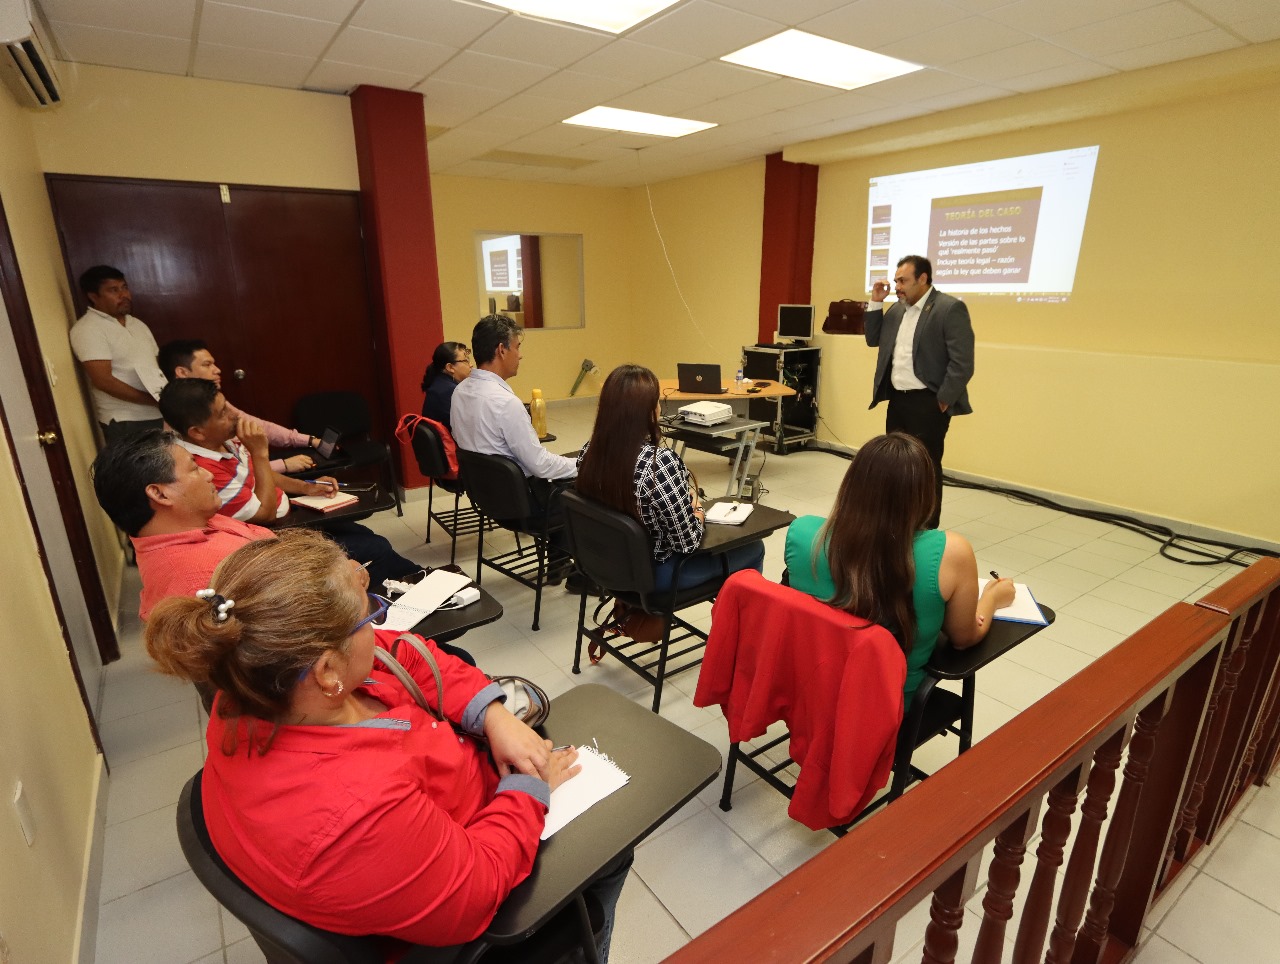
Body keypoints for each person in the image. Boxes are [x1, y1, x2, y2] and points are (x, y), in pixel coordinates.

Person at [144, 530, 630, 955]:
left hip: (453, 807)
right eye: (367, 616)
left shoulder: (255, 686)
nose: (378, 626)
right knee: (612, 853)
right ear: (328, 671)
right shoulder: (355, 814)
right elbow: (474, 890)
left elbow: (405, 650)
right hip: (471, 885)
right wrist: (529, 787)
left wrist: (494, 713)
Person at [784, 432, 1014, 701]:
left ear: (852, 483)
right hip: (886, 705)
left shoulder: (802, 532)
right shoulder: (951, 553)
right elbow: (963, 638)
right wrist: (991, 598)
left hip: (810, 692)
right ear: (925, 494)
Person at [158, 377, 421, 594]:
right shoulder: (204, 469)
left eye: (227, 407)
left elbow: (262, 478)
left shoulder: (223, 440)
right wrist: (260, 453)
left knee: (366, 534)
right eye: (222, 414)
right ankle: (408, 591)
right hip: (273, 537)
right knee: (374, 549)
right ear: (197, 432)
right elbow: (265, 516)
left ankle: (418, 582)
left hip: (290, 514)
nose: (233, 416)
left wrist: (307, 488)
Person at [577, 364, 764, 591]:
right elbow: (688, 542)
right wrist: (697, 510)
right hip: (658, 575)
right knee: (754, 548)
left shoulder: (588, 453)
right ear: (647, 412)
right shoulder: (659, 465)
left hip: (607, 566)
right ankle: (734, 624)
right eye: (656, 402)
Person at [90, 427, 274, 621]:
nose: (209, 475)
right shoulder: (198, 583)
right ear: (160, 494)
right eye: (194, 468)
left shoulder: (195, 518)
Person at [865, 255, 975, 529]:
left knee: (925, 467)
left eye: (903, 281)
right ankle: (897, 520)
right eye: (896, 281)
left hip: (929, 403)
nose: (898, 286)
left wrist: (943, 400)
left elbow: (962, 362)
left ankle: (926, 525)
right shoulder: (898, 310)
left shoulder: (949, 309)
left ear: (923, 279)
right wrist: (876, 301)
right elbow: (872, 338)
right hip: (898, 400)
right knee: (895, 464)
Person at [157, 338, 319, 473]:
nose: (217, 370)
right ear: (182, 373)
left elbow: (258, 426)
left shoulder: (209, 400)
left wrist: (309, 440)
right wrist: (283, 465)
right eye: (207, 365)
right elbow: (227, 475)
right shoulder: (183, 418)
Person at [451, 314, 575, 485]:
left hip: (484, 493)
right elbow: (541, 465)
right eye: (517, 347)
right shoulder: (506, 403)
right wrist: (581, 464)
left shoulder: (459, 392)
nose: (520, 355)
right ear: (502, 350)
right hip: (522, 499)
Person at [68, 265, 166, 443]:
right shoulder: (88, 328)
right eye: (114, 290)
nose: (124, 295)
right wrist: (152, 400)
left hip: (158, 415)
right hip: (125, 420)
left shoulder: (137, 324)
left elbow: (156, 366)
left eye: (125, 288)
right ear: (93, 296)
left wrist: (165, 399)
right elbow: (103, 381)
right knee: (138, 471)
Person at [420, 340, 472, 431]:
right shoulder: (450, 391)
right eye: (466, 360)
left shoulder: (439, 383)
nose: (471, 365)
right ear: (450, 367)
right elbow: (469, 429)